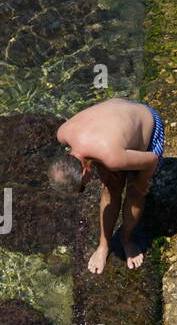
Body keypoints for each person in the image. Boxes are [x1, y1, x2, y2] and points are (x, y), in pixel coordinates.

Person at [49, 98, 166, 274]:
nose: (84, 189)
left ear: (84, 173)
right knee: (111, 189)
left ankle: (127, 240)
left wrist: (141, 184)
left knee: (135, 193)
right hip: (119, 112)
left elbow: (152, 160)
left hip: (148, 122)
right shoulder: (63, 133)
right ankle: (104, 246)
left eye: (82, 187)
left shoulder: (112, 158)